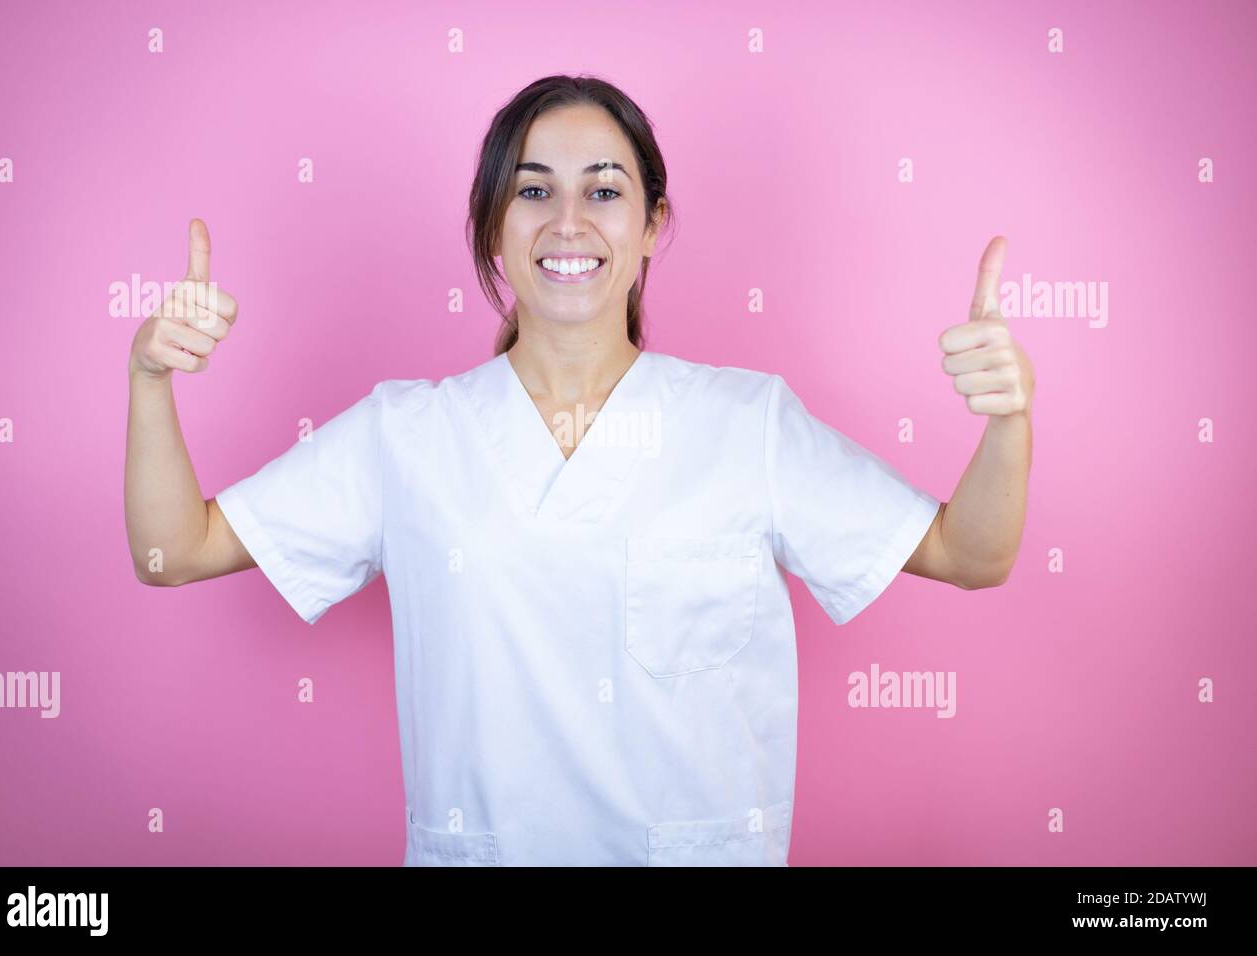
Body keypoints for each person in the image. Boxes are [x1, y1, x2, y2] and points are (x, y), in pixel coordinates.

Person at [124, 74, 1034, 866]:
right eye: (532, 190)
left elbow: (971, 554)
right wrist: (151, 377)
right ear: (492, 229)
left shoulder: (748, 422)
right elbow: (174, 548)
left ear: (651, 226)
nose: (568, 222)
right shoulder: (403, 434)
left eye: (604, 191)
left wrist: (1008, 420)